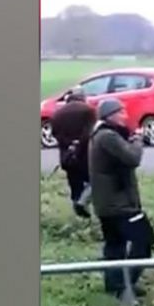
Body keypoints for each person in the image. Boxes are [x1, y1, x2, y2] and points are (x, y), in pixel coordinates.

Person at [88, 99, 154, 299]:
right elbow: (133, 158)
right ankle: (127, 283)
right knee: (144, 240)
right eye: (121, 112)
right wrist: (137, 140)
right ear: (111, 115)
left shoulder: (98, 135)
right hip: (121, 205)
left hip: (106, 203)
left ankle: (114, 284)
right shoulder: (108, 137)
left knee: (114, 245)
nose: (125, 116)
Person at [52, 86, 96, 218]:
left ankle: (78, 213)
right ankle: (83, 203)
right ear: (82, 97)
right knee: (95, 180)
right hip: (84, 155)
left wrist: (67, 143)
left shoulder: (57, 113)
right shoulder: (88, 110)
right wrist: (79, 143)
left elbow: (55, 133)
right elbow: (90, 132)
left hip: (66, 156)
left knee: (74, 183)